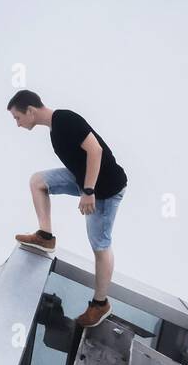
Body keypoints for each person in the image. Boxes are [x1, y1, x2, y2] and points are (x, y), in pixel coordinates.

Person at [7, 89, 128, 327]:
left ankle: (100, 304)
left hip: (107, 189)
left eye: (17, 118)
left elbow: (96, 151)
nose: (18, 124)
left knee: (100, 245)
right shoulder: (55, 132)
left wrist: (89, 191)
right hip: (85, 182)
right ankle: (45, 235)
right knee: (38, 181)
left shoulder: (65, 119)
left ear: (30, 110)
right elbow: (79, 162)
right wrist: (84, 187)